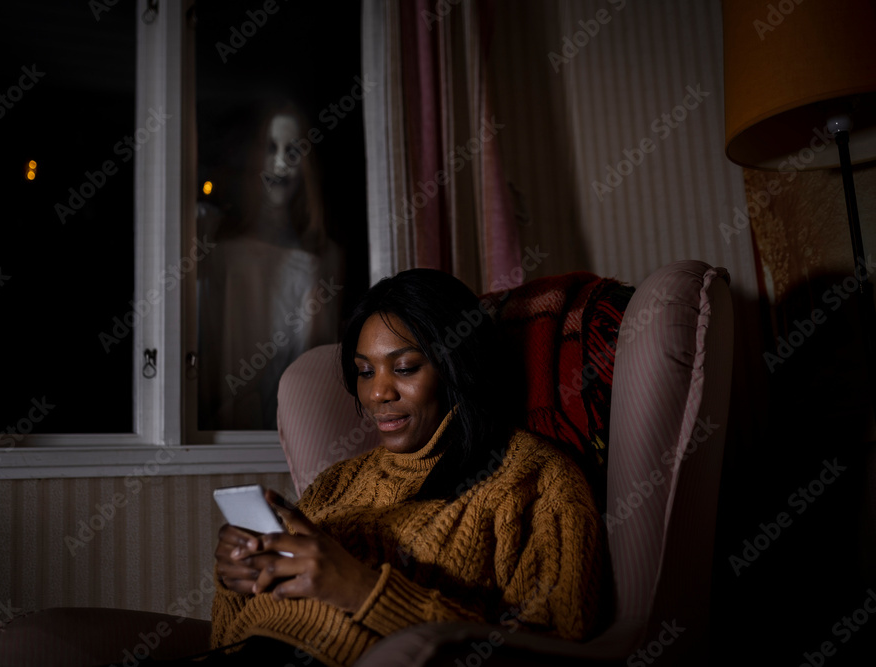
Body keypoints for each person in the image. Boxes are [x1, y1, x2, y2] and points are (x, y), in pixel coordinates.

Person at [208, 268, 610, 666]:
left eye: (404, 368)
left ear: (457, 366)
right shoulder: (336, 483)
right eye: (365, 372)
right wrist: (239, 578)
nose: (378, 392)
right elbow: (226, 637)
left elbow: (552, 650)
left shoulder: (538, 481)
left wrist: (361, 590)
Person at [197, 99, 343, 430]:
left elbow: (320, 364)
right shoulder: (222, 252)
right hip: (229, 434)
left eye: (292, 152)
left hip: (297, 427)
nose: (280, 164)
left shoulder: (321, 258)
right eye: (270, 149)